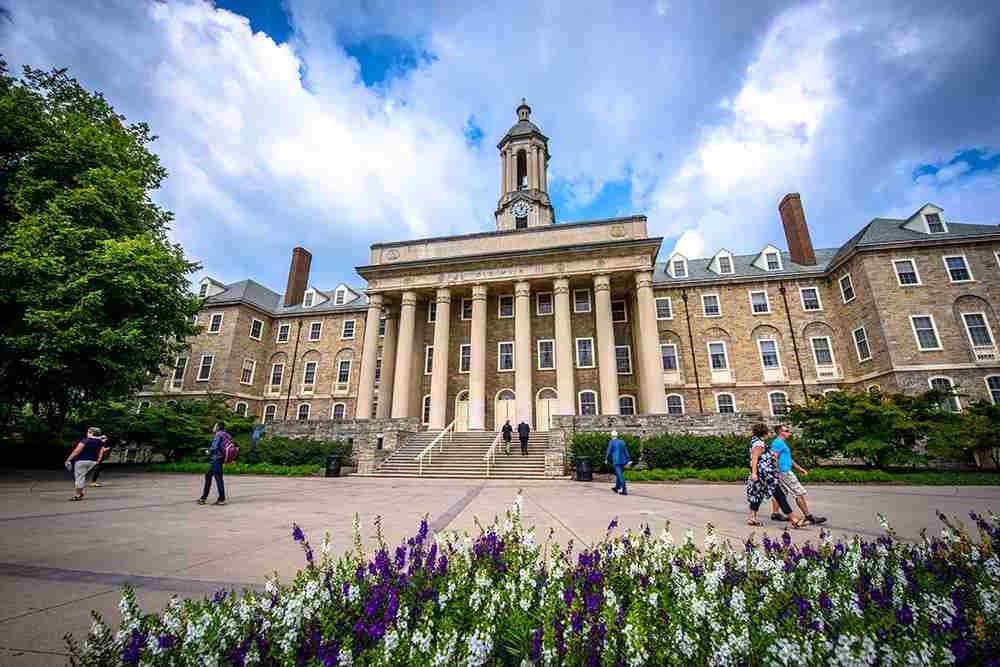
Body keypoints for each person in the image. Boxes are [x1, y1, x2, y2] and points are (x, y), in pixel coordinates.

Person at [745, 423, 806, 528]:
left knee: (757, 495)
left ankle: (752, 518)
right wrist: (754, 473)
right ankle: (794, 520)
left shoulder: (756, 441)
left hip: (762, 473)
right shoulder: (759, 444)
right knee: (779, 494)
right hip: (765, 474)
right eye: (768, 432)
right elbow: (754, 458)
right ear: (764, 433)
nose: (769, 434)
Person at [770, 424, 827, 525]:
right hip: (784, 472)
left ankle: (775, 513)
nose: (789, 432)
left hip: (782, 471)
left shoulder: (781, 443)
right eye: (787, 430)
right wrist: (778, 471)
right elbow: (773, 458)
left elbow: (789, 459)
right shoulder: (778, 443)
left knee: (780, 493)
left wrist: (800, 469)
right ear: (781, 432)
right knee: (798, 493)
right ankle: (809, 516)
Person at [64, 428, 109, 501]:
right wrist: (98, 461)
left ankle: (78, 495)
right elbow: (101, 452)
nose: (87, 433)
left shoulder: (85, 440)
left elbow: (77, 451)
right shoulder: (100, 442)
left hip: (81, 461)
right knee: (81, 477)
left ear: (91, 433)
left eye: (88, 432)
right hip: (92, 462)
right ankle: (80, 493)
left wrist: (68, 459)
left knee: (79, 478)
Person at [197, 422, 228, 506]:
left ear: (218, 427)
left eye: (215, 426)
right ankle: (203, 498)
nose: (214, 427)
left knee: (218, 479)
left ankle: (221, 499)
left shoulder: (218, 435)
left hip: (216, 459)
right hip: (221, 458)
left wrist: (208, 452)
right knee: (208, 476)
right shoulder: (226, 435)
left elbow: (214, 447)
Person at [605, 431, 631, 496]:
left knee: (620, 475)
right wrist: (628, 459)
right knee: (619, 474)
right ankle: (617, 487)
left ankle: (624, 490)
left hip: (616, 461)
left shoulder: (611, 442)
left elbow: (608, 451)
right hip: (623, 461)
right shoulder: (622, 441)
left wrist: (606, 458)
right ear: (617, 435)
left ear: (611, 436)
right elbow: (626, 450)